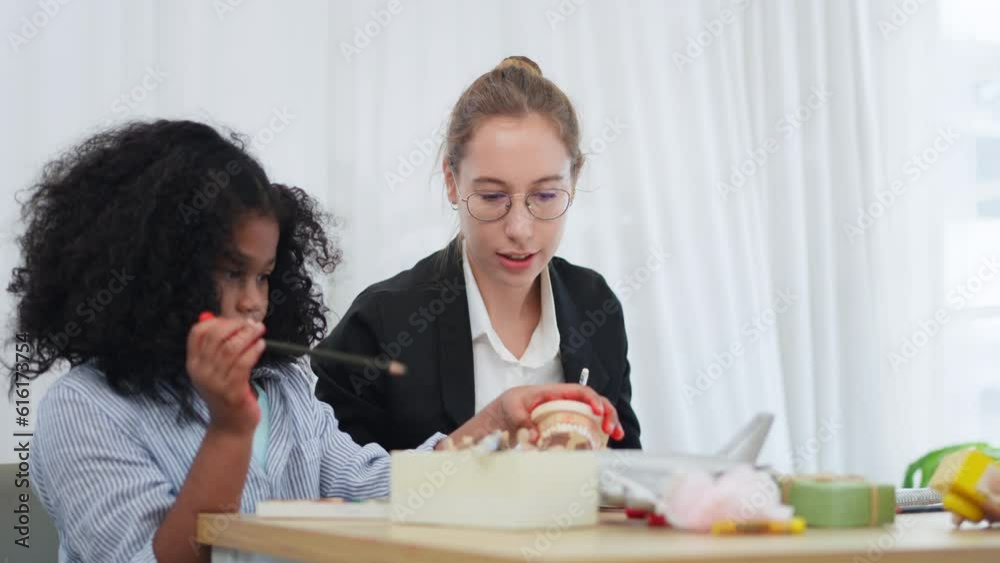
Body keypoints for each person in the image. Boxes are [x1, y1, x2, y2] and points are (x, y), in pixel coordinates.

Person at [6, 119, 622, 563]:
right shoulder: (84, 411)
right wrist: (228, 431)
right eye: (230, 272)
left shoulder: (283, 388)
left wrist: (489, 424)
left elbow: (376, 489)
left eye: (265, 276)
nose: (253, 301)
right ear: (153, 271)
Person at [314, 56, 641, 451]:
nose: (519, 229)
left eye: (545, 195)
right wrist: (486, 427)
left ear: (575, 180)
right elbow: (332, 488)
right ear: (452, 182)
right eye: (491, 196)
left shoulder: (595, 307)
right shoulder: (381, 325)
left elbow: (624, 478)